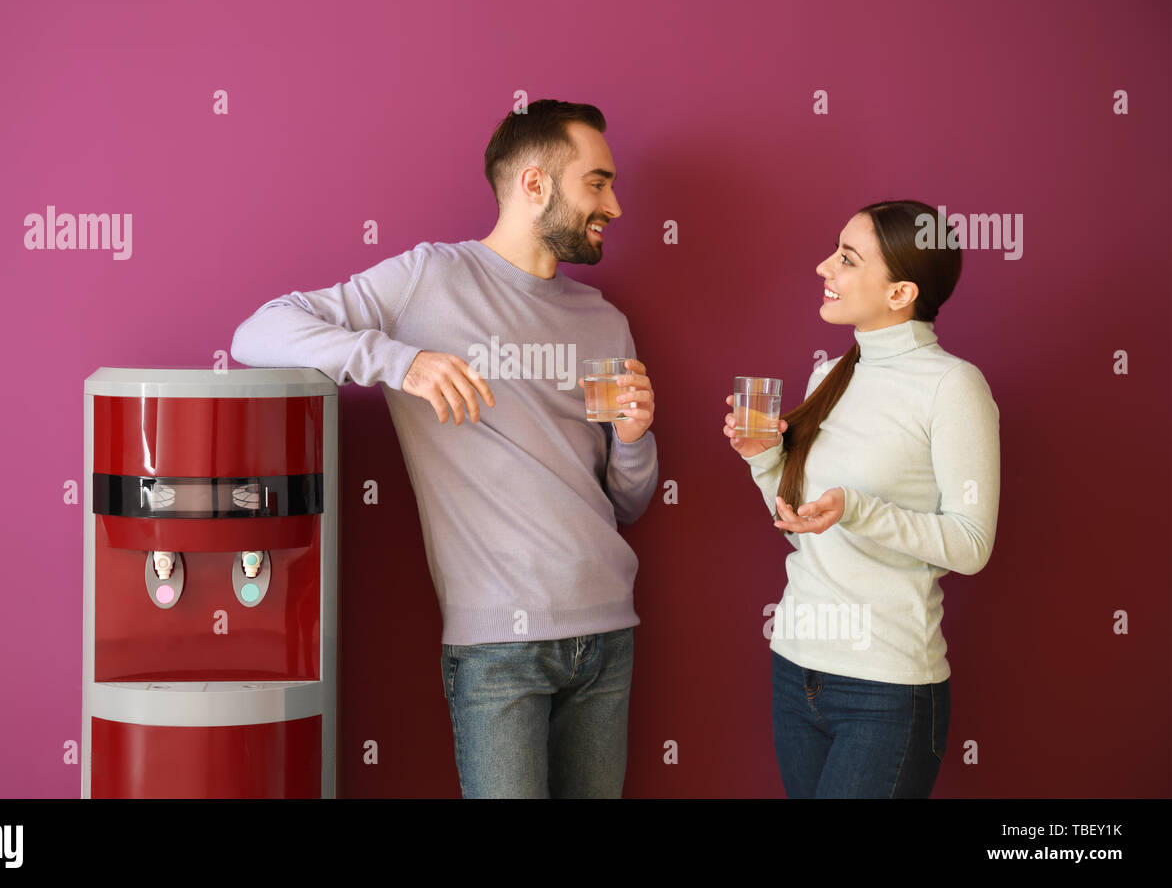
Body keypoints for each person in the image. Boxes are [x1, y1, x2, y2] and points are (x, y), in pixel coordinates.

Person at [230, 99, 658, 798]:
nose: (614, 203)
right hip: (496, 647)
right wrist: (400, 362)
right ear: (535, 184)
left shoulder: (604, 323)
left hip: (609, 634)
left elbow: (629, 503)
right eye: (598, 182)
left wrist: (637, 441)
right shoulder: (429, 279)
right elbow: (259, 332)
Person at [723, 200, 1000, 798]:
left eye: (847, 258)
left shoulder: (953, 386)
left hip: (887, 687)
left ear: (901, 292)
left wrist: (859, 508)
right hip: (797, 670)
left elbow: (971, 546)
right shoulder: (829, 376)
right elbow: (803, 527)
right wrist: (762, 458)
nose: (824, 267)